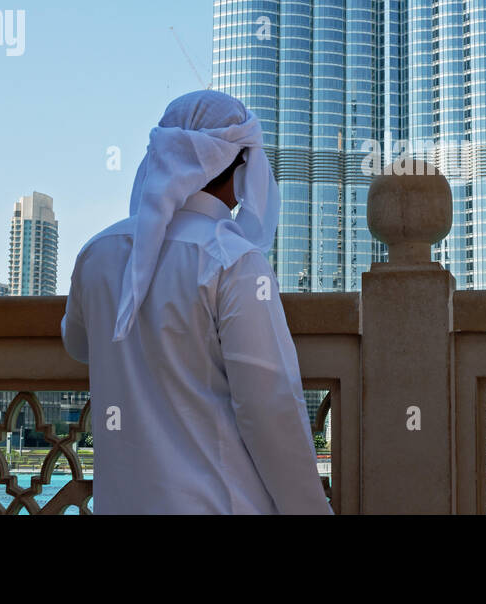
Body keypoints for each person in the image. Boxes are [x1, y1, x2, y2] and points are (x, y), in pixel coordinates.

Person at [61, 90, 332, 515]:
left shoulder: (98, 252)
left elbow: (77, 344)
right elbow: (270, 409)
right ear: (240, 168)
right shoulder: (234, 261)